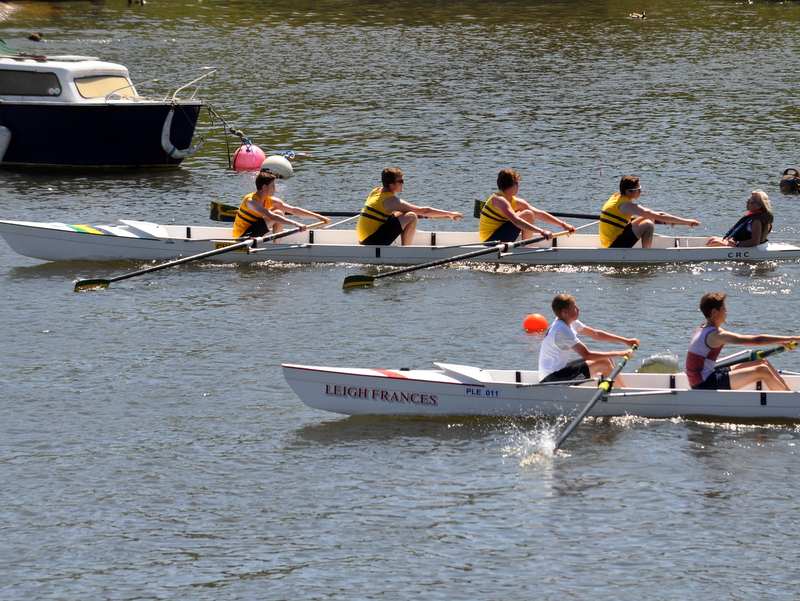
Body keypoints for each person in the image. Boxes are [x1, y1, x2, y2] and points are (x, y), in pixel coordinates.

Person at [686, 292, 800, 391]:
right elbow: (756, 340)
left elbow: (754, 339)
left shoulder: (705, 329)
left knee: (761, 362)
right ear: (714, 312)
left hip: (708, 375)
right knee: (762, 370)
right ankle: (791, 401)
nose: (727, 312)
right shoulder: (715, 335)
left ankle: (789, 394)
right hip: (704, 384)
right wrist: (793, 338)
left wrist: (778, 342)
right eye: (724, 309)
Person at [538, 294, 640, 386]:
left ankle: (621, 389)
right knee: (603, 362)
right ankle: (624, 396)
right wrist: (620, 353)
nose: (579, 309)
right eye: (574, 307)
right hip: (552, 380)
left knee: (607, 359)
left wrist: (625, 340)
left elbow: (596, 334)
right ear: (565, 312)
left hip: (559, 371)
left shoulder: (570, 322)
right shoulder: (562, 330)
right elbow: (588, 355)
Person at [356, 168, 463, 246]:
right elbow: (424, 211)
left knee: (406, 213)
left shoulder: (376, 191)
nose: (404, 183)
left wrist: (429, 214)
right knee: (411, 216)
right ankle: (406, 250)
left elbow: (411, 211)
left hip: (364, 238)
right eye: (401, 181)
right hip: (372, 242)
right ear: (392, 185)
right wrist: (450, 214)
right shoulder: (391, 201)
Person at [599, 175, 701, 248]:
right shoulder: (627, 205)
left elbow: (655, 215)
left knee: (649, 218)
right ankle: (646, 254)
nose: (640, 191)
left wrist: (673, 221)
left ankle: (646, 248)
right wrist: (686, 221)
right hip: (613, 246)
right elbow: (660, 215)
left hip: (613, 239)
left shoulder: (616, 197)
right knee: (648, 224)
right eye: (638, 189)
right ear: (628, 191)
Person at [479, 169, 576, 243]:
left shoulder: (514, 201)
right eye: (516, 183)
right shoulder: (499, 199)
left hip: (501, 235)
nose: (518, 186)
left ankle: (527, 246)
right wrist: (542, 231)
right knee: (528, 214)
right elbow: (516, 221)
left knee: (530, 213)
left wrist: (563, 225)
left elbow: (539, 214)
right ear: (509, 185)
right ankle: (527, 246)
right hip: (491, 240)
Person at [231, 172, 331, 240]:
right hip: (242, 237)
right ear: (264, 187)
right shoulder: (251, 201)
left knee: (280, 209)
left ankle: (276, 245)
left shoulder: (271, 200)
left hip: (254, 231)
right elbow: (271, 216)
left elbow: (293, 210)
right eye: (273, 186)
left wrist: (319, 217)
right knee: (277, 213)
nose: (275, 188)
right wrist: (296, 224)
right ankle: (276, 247)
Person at [705, 189, 773, 248]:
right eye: (748, 200)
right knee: (712, 238)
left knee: (714, 242)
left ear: (759, 206)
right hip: (738, 242)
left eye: (751, 201)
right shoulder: (755, 217)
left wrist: (737, 244)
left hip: (747, 247)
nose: (747, 202)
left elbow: (755, 242)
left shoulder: (757, 221)